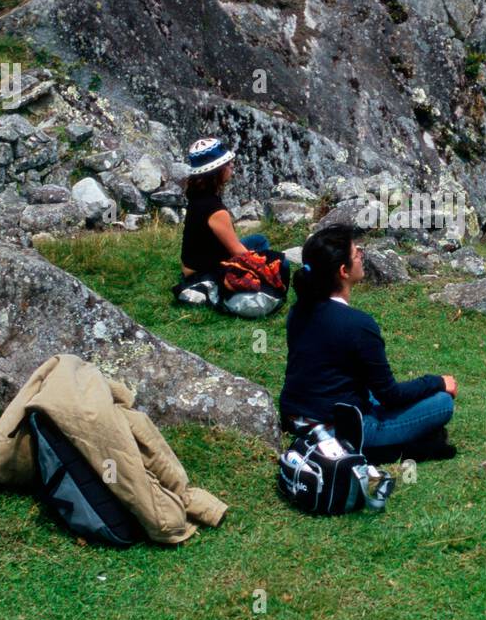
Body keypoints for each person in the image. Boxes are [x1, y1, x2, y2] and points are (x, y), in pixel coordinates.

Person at [279, 224, 458, 462]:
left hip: (297, 416)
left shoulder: (299, 310)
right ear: (343, 270)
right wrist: (437, 382)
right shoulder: (359, 324)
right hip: (340, 427)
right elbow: (390, 396)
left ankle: (404, 442)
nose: (362, 256)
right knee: (442, 403)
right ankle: (383, 449)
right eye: (357, 254)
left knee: (372, 395)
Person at [180, 137, 270, 280]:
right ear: (217, 170)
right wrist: (264, 266)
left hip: (191, 265)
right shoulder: (215, 210)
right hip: (202, 272)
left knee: (258, 240)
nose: (232, 165)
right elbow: (238, 252)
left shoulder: (196, 195)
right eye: (228, 163)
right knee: (264, 251)